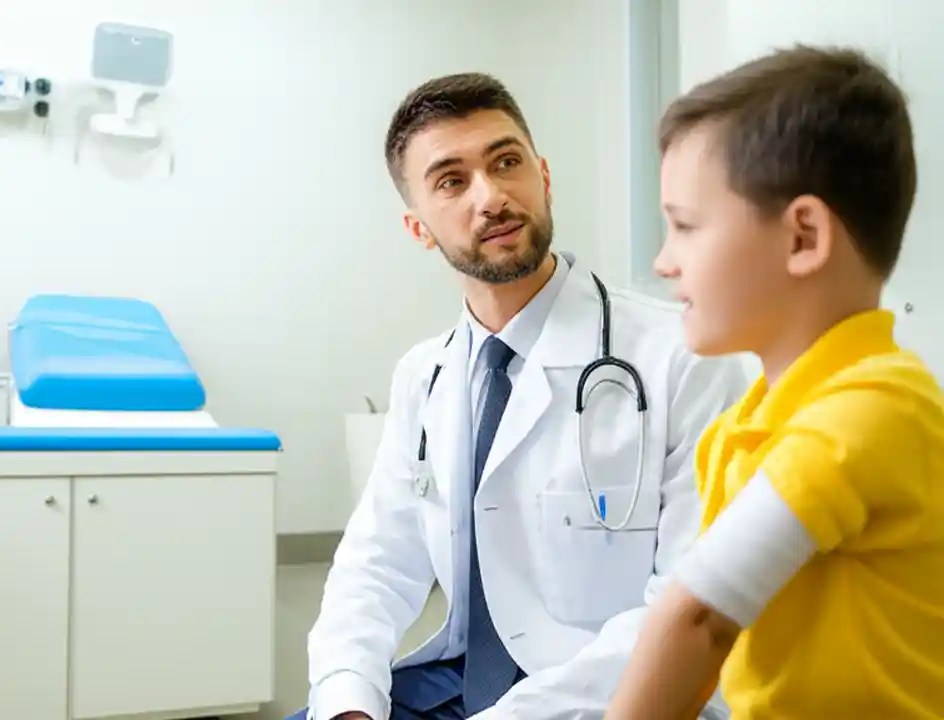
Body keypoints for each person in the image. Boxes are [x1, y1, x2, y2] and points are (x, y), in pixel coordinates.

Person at [297, 72, 748, 720]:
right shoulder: (423, 376)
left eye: (506, 163)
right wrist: (347, 703)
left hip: (615, 698)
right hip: (450, 686)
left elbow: (687, 609)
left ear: (543, 177)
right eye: (452, 181)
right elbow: (374, 567)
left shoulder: (681, 357)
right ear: (418, 227)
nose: (492, 196)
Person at [606, 46, 944, 719]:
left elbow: (699, 620)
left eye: (685, 226)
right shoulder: (752, 423)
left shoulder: (874, 413)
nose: (663, 261)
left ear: (803, 238)